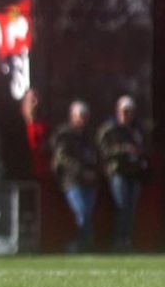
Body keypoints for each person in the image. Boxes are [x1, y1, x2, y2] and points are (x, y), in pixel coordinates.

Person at [97, 95, 148, 251]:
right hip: (118, 172)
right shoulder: (109, 129)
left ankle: (127, 241)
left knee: (131, 210)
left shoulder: (136, 130)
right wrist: (124, 150)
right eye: (124, 111)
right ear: (118, 111)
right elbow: (103, 150)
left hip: (134, 174)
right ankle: (118, 241)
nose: (127, 115)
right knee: (121, 207)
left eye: (130, 111)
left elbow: (144, 149)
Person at [51, 100, 100, 253]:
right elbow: (62, 158)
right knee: (82, 212)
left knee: (87, 214)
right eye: (80, 116)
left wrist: (94, 172)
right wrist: (81, 171)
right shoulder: (64, 135)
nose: (83, 119)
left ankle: (85, 244)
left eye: (85, 116)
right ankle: (81, 244)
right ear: (72, 116)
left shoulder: (90, 137)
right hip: (72, 181)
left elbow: (97, 156)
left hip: (90, 182)